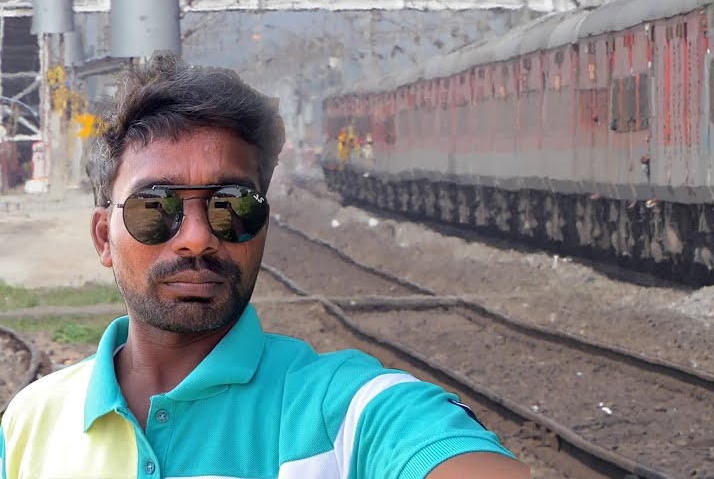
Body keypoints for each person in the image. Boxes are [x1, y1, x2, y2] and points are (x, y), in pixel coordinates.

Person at [0, 53, 529, 479]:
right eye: (155, 207)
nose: (197, 238)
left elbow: (422, 440)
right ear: (103, 237)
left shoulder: (341, 410)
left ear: (263, 228)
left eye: (232, 206)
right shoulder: (30, 422)